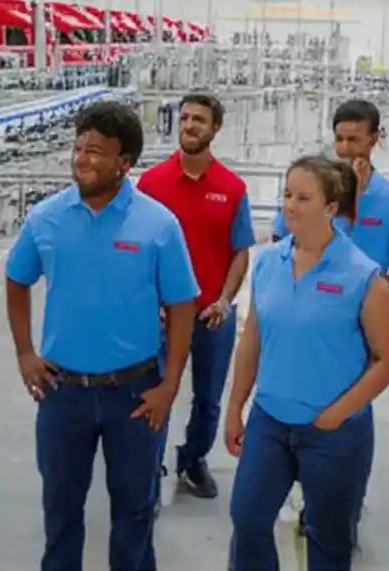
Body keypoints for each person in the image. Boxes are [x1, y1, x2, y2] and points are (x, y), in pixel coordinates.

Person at [5, 100, 199, 571]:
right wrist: (26, 353)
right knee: (61, 508)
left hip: (134, 392)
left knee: (134, 509)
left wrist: (169, 385)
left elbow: (181, 305)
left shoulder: (158, 224)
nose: (82, 160)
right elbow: (16, 278)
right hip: (62, 391)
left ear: (125, 163)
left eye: (95, 152)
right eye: (78, 149)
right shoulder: (47, 218)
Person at [225, 155, 389, 571]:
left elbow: (388, 359)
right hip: (270, 421)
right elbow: (253, 338)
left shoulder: (362, 276)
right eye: (287, 194)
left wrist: (335, 415)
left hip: (333, 432)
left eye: (304, 197)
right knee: (247, 519)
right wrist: (236, 407)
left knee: (329, 538)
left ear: (330, 207)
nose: (290, 205)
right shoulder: (269, 262)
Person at [138, 93, 255, 500]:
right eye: (185, 118)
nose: (189, 125)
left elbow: (240, 250)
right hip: (161, 318)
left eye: (199, 120)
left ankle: (192, 458)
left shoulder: (232, 188)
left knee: (208, 401)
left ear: (215, 128)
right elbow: (136, 247)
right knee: (156, 396)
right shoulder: (151, 184)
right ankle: (149, 469)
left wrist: (225, 299)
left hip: (210, 316)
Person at [272, 98, 389, 290]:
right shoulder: (311, 189)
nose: (344, 149)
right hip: (309, 295)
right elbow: (280, 236)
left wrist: (381, 291)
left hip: (361, 307)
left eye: (353, 140)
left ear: (374, 139)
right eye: (339, 139)